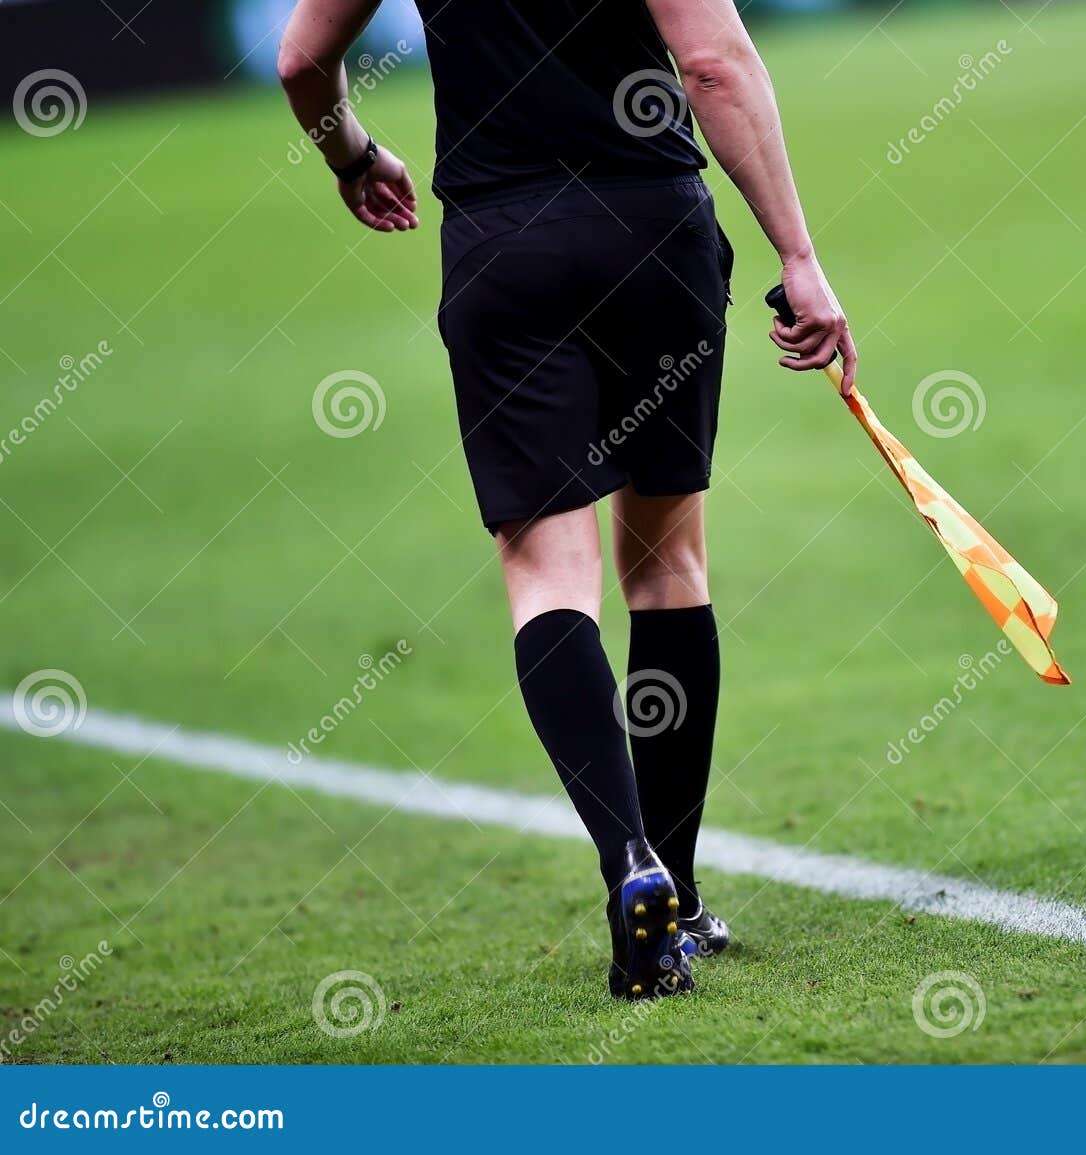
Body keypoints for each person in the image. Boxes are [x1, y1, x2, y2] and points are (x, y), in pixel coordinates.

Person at [277, 0, 856, 999]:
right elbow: (711, 62)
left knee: (550, 575)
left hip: (508, 247)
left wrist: (352, 156)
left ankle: (627, 861)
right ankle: (675, 882)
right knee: (668, 565)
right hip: (655, 234)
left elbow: (301, 63)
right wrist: (797, 256)